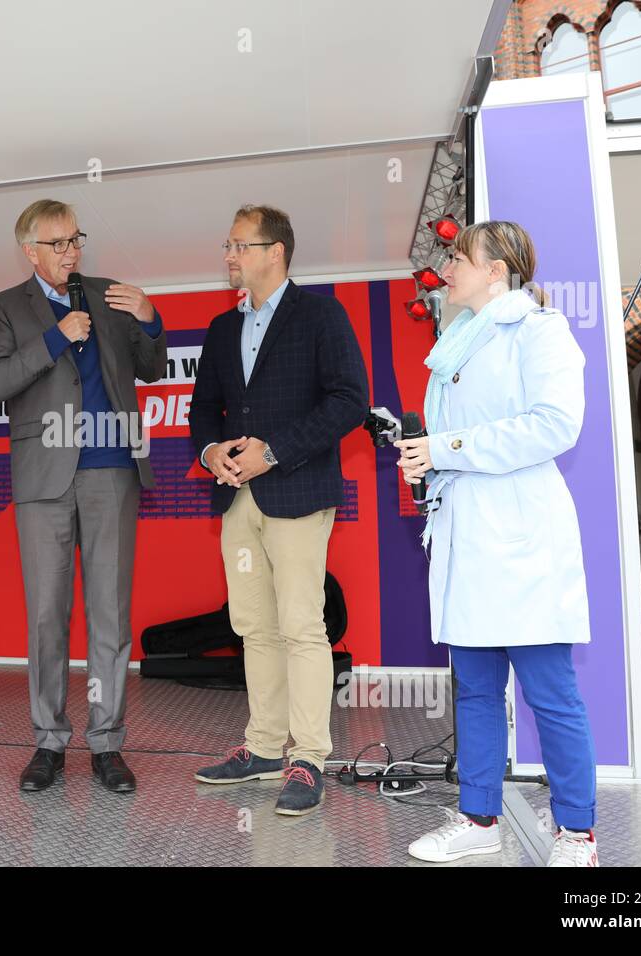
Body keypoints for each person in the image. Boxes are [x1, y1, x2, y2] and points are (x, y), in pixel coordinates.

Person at [394, 221, 599, 866]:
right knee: (476, 689)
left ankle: (577, 834)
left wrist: (448, 448)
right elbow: (465, 438)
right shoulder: (455, 343)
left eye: (460, 257)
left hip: (522, 539)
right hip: (465, 535)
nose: (447, 267)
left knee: (550, 692)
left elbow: (555, 425)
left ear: (498, 270)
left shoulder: (540, 332)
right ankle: (478, 817)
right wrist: (428, 461)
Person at [0, 198, 167, 793]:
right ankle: (49, 743)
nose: (71, 253)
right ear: (30, 250)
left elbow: (154, 368)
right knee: (46, 616)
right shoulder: (6, 307)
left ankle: (108, 745)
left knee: (110, 614)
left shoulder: (108, 295)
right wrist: (55, 338)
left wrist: (151, 317)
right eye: (57, 244)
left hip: (111, 470)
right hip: (43, 477)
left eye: (76, 240)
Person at [189, 204, 368, 816]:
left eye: (239, 245)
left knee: (300, 627)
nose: (229, 256)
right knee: (253, 628)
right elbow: (202, 412)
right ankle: (263, 748)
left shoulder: (320, 314)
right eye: (228, 245)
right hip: (236, 500)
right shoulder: (220, 329)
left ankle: (309, 758)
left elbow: (350, 401)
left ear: (275, 252)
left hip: (295, 494)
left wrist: (276, 452)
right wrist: (213, 451)